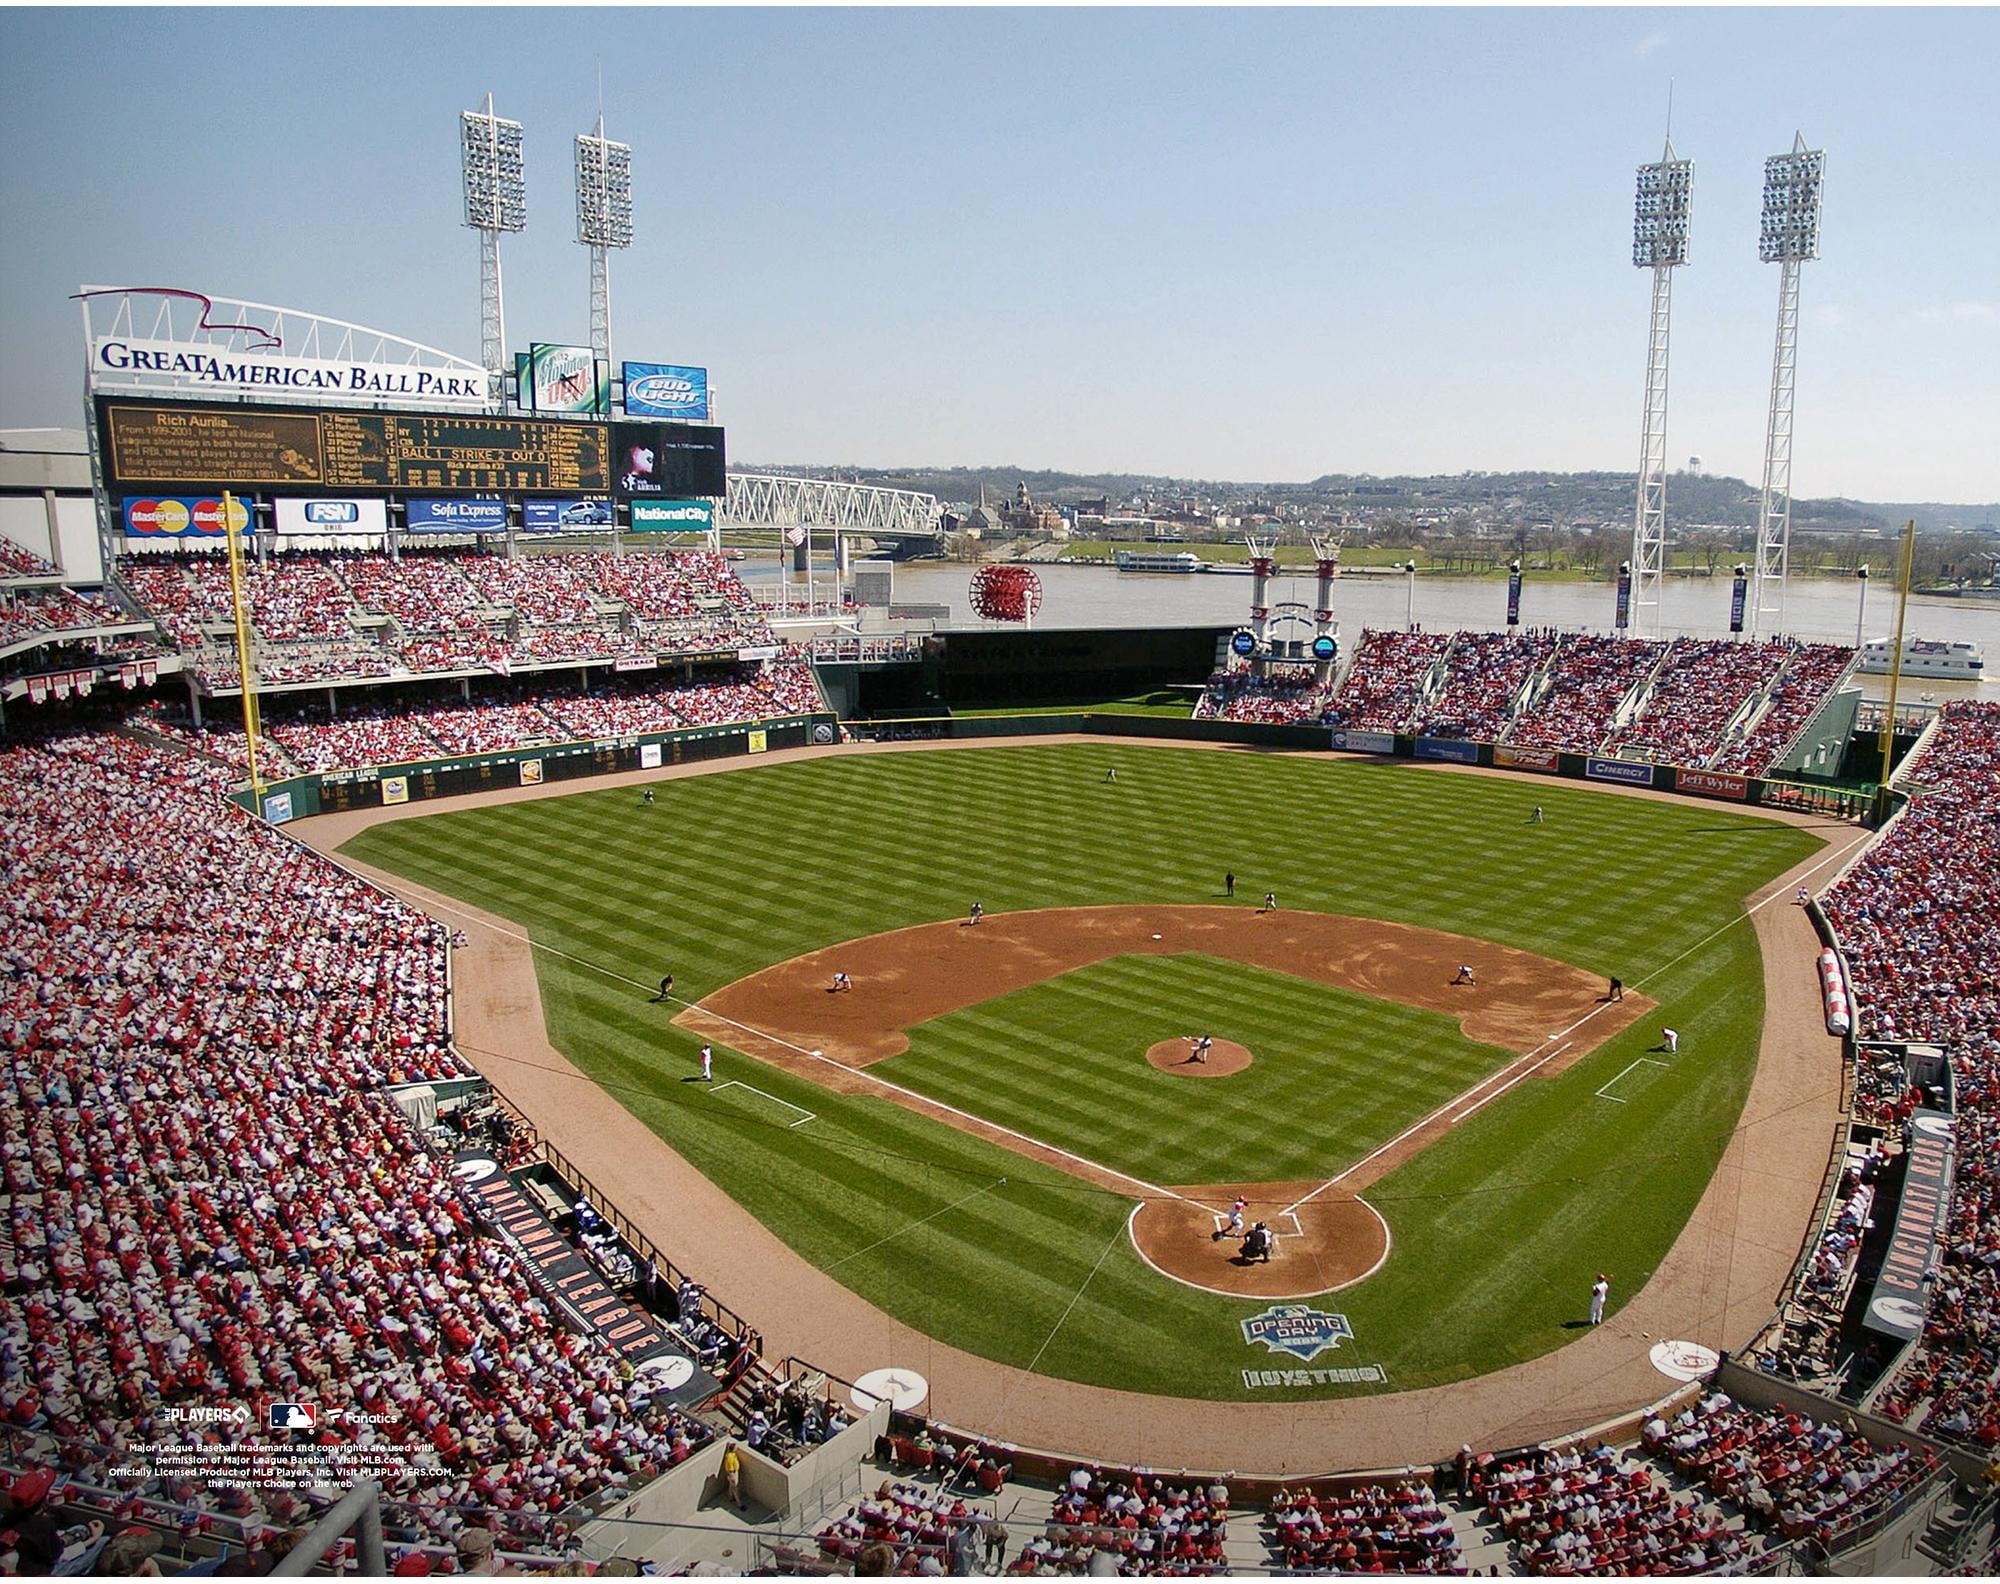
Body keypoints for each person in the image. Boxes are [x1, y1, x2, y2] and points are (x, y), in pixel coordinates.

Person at [721, 1441, 744, 1508]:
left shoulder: (731, 1454)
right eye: (736, 1448)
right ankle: (739, 1504)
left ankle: (730, 1497)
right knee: (735, 1488)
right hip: (732, 1473)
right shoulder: (730, 1457)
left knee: (731, 1486)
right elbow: (730, 1469)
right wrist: (732, 1476)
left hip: (733, 1472)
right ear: (733, 1449)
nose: (737, 1448)